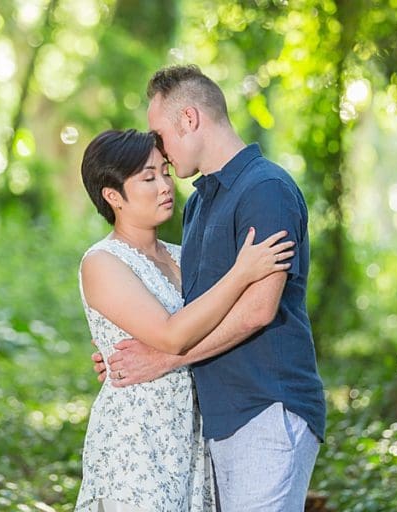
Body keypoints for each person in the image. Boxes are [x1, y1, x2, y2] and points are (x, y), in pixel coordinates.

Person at [93, 65, 327, 511]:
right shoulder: (201, 202)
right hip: (218, 420)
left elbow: (258, 309)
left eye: (159, 133)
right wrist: (120, 351)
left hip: (266, 405)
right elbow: (183, 306)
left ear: (190, 119)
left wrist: (160, 360)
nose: (157, 148)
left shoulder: (266, 189)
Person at [75, 128, 295, 512]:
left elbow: (232, 318)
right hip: (136, 441)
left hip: (192, 438)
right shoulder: (102, 261)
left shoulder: (183, 255)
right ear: (113, 197)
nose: (165, 186)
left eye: (164, 171)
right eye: (148, 177)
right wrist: (242, 272)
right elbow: (171, 336)